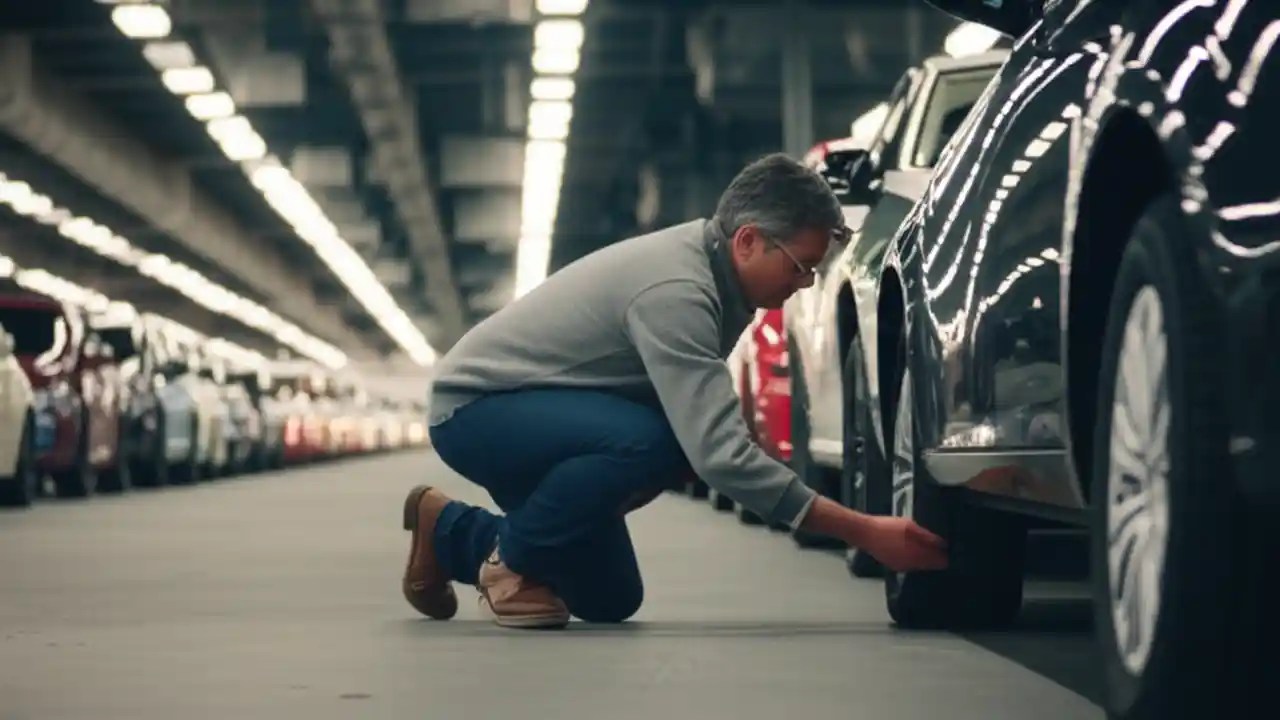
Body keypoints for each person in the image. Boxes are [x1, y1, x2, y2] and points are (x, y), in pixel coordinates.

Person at [400, 153, 948, 629]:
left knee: (609, 597)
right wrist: (865, 531)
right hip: (476, 410)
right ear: (748, 240)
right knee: (655, 442)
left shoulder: (718, 283)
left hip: (534, 416)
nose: (804, 284)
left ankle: (448, 531)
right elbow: (718, 456)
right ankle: (509, 561)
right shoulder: (678, 291)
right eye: (800, 266)